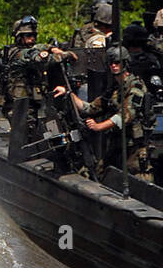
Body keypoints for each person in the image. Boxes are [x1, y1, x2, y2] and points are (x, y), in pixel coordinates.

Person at [53, 45, 149, 179]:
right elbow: (90, 109)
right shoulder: (114, 90)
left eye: (117, 63)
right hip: (117, 146)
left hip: (133, 149)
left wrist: (99, 126)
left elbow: (125, 116)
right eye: (111, 63)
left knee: (138, 184)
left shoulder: (136, 87)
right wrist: (69, 94)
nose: (114, 66)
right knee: (100, 176)